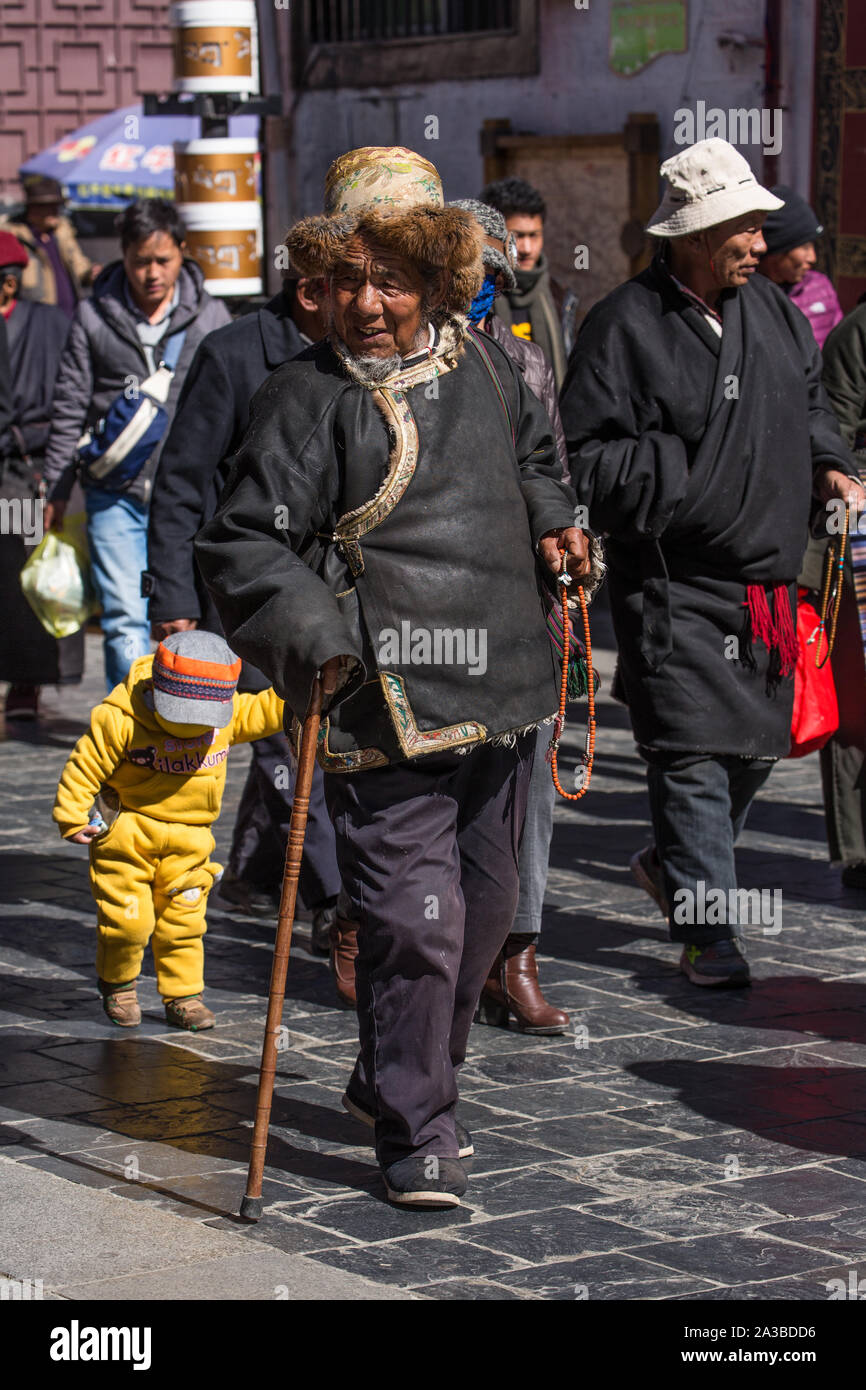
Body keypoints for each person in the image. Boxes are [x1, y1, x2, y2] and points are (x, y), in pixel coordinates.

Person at [195, 145, 590, 1208]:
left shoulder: (493, 367)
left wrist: (555, 526)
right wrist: (314, 632)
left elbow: (537, 467)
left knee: (485, 906)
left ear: (436, 281)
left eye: (393, 278)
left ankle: (393, 1069)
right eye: (348, 278)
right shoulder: (301, 397)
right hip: (382, 695)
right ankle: (419, 1128)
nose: (367, 303)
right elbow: (241, 544)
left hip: (500, 685)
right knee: (416, 918)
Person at [560, 138, 862, 988]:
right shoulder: (624, 325)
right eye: (745, 227)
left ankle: (672, 864)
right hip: (675, 584)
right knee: (691, 754)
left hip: (766, 585)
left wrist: (831, 466)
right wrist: (686, 471)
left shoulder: (770, 312)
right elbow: (583, 458)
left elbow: (809, 403)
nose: (761, 244)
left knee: (755, 750)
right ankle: (710, 932)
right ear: (692, 235)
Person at [144, 271, 342, 953]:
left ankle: (253, 874)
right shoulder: (231, 353)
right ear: (312, 289)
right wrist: (171, 596)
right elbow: (181, 481)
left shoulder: (356, 353)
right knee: (283, 746)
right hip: (244, 596)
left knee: (296, 746)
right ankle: (337, 897)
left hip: (330, 594)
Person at [449, 197, 603, 1034]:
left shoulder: (528, 365)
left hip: (521, 603)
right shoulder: (401, 358)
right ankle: (422, 944)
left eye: (489, 274)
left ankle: (517, 953)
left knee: (527, 792)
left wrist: (566, 543)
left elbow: (556, 476)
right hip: (431, 609)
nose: (478, 287)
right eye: (463, 271)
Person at [41, 199, 230, 692]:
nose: (151, 273)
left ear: (182, 255)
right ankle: (128, 733)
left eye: (162, 261)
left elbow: (228, 404)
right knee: (124, 616)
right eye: (140, 261)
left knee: (180, 616)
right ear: (121, 256)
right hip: (115, 491)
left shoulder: (210, 316)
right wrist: (57, 488)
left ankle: (180, 724)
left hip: (187, 497)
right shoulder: (93, 317)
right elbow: (70, 405)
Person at [53, 630, 284, 1031]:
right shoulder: (119, 718)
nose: (195, 726)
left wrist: (303, 694)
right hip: (128, 833)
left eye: (203, 720)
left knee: (185, 923)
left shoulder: (227, 717)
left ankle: (184, 995)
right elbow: (83, 766)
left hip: (191, 841)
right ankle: (119, 984)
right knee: (128, 921)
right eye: (184, 717)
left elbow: (266, 709)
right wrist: (72, 816)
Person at [0, 232, 82, 719]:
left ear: (10, 285)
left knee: (24, 574)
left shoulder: (46, 324)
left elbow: (67, 397)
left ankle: (26, 680)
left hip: (22, 473)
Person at [810, 307, 866, 887]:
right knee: (859, 696)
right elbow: (835, 432)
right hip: (864, 524)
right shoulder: (859, 332)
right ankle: (860, 846)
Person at [478, 175, 578, 388]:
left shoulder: (561, 299)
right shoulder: (476, 297)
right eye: (517, 236)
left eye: (534, 235)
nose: (526, 248)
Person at [1, 175, 99, 317]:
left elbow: (79, 266)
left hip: (70, 316)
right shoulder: (13, 236)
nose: (55, 211)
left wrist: (91, 273)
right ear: (33, 208)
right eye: (50, 206)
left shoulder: (62, 232)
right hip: (34, 320)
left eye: (57, 206)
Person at [757, 186, 843, 349]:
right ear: (777, 252)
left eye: (812, 246)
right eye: (804, 247)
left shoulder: (820, 288)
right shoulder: (749, 295)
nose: (812, 258)